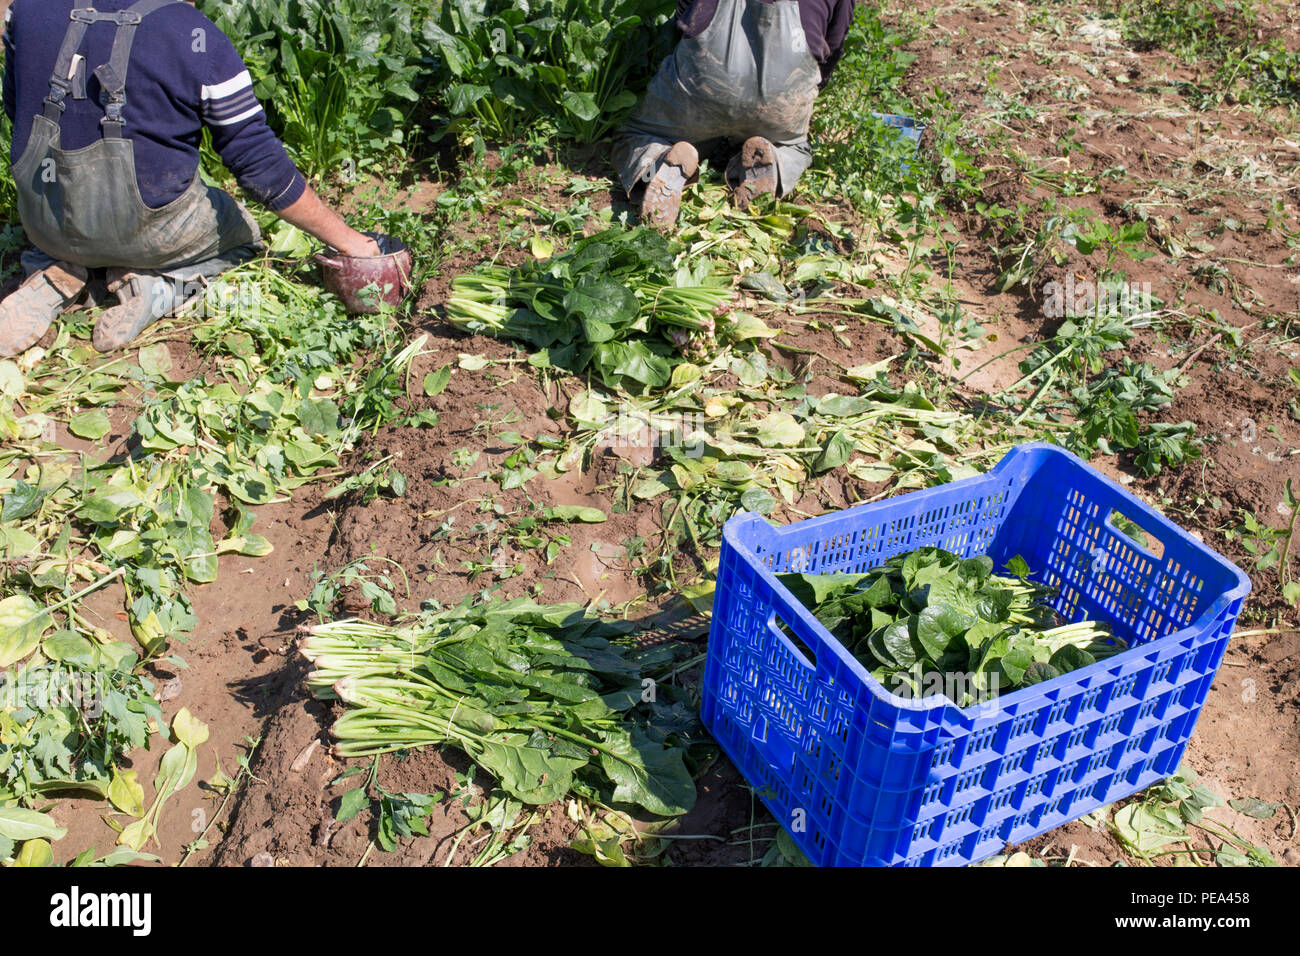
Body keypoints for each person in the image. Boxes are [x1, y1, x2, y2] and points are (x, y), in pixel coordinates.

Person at [0, 0, 380, 359]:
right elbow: (258, 162)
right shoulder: (195, 34)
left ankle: (54, 273)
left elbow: (17, 111)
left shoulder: (26, 11)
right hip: (153, 234)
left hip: (46, 221)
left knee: (64, 222)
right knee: (243, 235)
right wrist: (350, 242)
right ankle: (158, 288)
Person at [611, 0, 857, 229]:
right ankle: (774, 168)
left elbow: (684, 12)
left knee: (639, 135)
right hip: (783, 90)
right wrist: (804, 89)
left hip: (705, 78)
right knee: (793, 148)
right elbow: (833, 43)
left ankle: (658, 164)